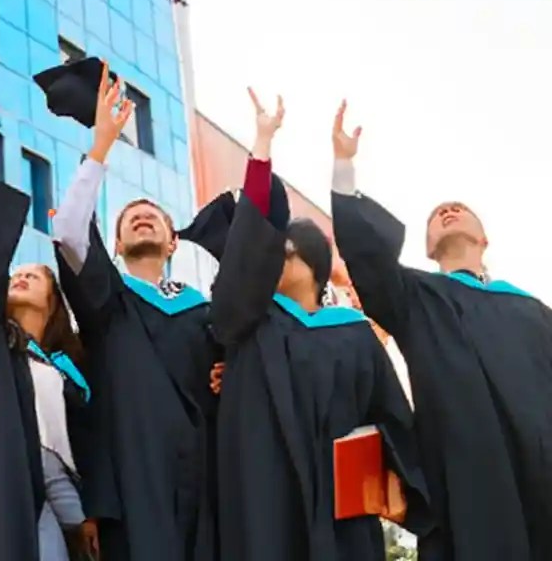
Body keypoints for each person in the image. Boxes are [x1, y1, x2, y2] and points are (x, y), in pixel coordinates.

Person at [211, 91, 431, 560]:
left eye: (283, 251)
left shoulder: (352, 331)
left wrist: (386, 475)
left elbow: (392, 418)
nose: (268, 259)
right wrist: (263, 144)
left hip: (342, 510)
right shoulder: (248, 324)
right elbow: (243, 256)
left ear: (311, 262)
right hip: (261, 500)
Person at [330, 100, 552, 560]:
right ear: (427, 247)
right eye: (437, 214)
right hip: (467, 481)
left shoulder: (532, 310)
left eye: (460, 208)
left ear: (485, 237)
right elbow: (368, 261)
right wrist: (344, 167)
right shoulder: (415, 297)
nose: (448, 210)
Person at [50, 67, 220, 561]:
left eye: (155, 215)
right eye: (129, 217)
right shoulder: (109, 302)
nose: (142, 214)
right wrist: (100, 147)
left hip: (205, 483)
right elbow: (71, 232)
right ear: (118, 244)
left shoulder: (205, 312)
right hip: (132, 483)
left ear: (173, 241)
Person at [0, 99, 94, 561]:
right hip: (14, 491)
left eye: (36, 274)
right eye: (16, 273)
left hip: (72, 495)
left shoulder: (72, 367)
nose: (22, 276)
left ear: (53, 301)